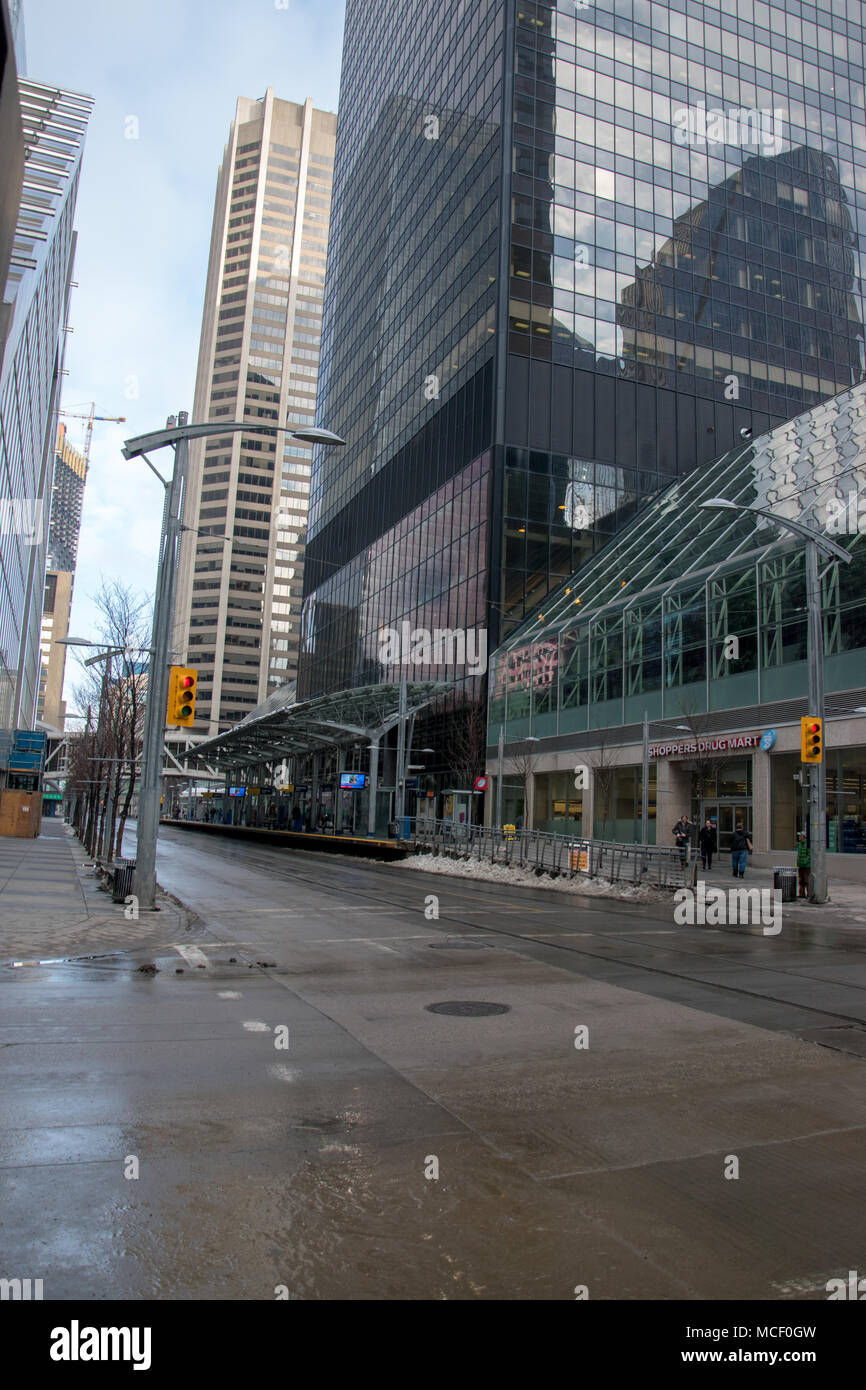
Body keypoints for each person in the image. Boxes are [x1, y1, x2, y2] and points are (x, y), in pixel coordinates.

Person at [796, 831, 811, 898]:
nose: (799, 837)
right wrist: (798, 862)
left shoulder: (807, 844)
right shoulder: (800, 844)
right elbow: (799, 855)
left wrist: (804, 861)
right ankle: (801, 894)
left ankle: (809, 894)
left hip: (807, 866)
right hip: (800, 866)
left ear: (804, 837)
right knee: (801, 881)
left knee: (807, 880)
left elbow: (809, 855)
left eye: (800, 836)